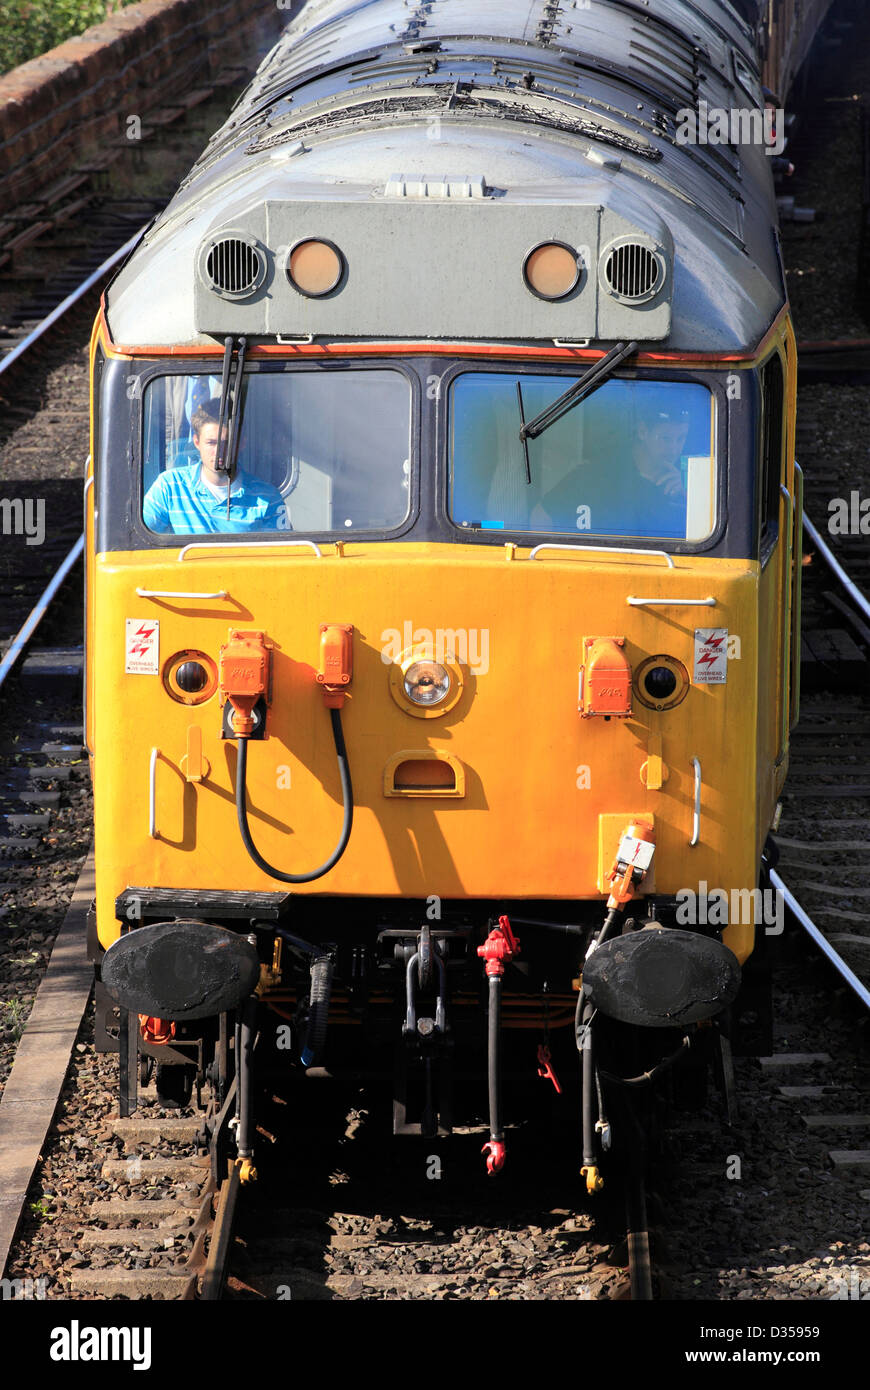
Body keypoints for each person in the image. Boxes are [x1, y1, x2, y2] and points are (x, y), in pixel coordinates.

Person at [538, 404, 689, 539]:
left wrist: (687, 498)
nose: (674, 449)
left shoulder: (686, 484)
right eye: (665, 438)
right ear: (643, 431)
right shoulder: (600, 473)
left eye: (681, 439)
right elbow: (542, 514)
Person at [143, 398, 289, 535]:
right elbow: (139, 542)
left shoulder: (268, 497)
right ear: (196, 443)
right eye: (211, 443)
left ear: (241, 443)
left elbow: (282, 555)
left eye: (227, 443)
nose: (219, 451)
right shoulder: (169, 486)